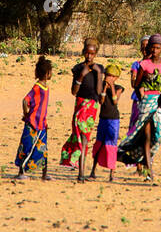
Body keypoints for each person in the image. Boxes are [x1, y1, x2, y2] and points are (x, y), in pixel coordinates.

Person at [118, 33, 161, 181]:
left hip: (160, 104)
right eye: (152, 47)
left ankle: (144, 162)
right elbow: (136, 84)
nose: (154, 50)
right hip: (147, 101)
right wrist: (143, 86)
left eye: (158, 48)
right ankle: (148, 169)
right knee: (146, 136)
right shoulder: (143, 65)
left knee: (158, 136)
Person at [59, 38, 106, 181]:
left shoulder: (99, 68)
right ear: (83, 52)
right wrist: (82, 75)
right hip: (80, 105)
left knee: (85, 137)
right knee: (79, 135)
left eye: (92, 54)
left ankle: (81, 172)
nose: (89, 56)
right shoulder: (78, 68)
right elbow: (74, 91)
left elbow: (98, 92)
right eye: (87, 53)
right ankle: (80, 171)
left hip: (92, 107)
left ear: (96, 54)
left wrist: (98, 75)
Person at [15, 56, 52, 180]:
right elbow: (25, 101)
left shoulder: (45, 88)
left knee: (43, 148)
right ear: (47, 74)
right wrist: (26, 115)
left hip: (42, 123)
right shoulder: (37, 88)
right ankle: (21, 172)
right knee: (27, 146)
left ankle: (44, 173)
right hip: (33, 123)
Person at [90, 62, 124, 182]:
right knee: (99, 144)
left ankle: (112, 173)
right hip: (103, 118)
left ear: (116, 78)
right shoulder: (101, 86)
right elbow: (101, 100)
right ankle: (93, 170)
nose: (108, 78)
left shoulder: (119, 88)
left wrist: (112, 87)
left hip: (113, 120)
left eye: (111, 76)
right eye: (107, 75)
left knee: (111, 145)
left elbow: (115, 101)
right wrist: (105, 88)